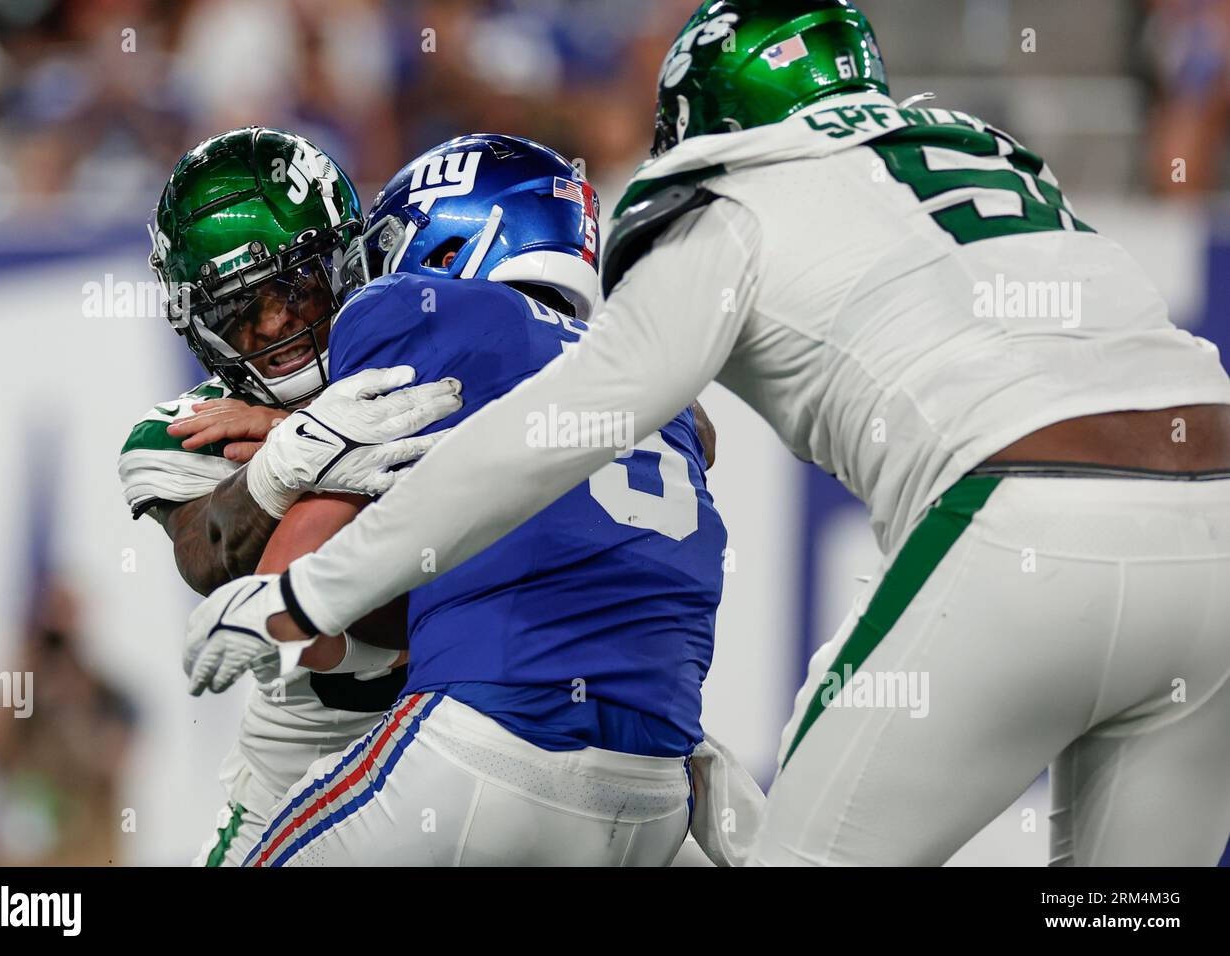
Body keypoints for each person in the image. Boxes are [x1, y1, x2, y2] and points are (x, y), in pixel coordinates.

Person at [190, 2, 1230, 866]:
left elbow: (560, 428)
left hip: (1024, 512)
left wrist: (308, 591)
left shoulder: (724, 194)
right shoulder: (996, 161)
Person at [189, 134, 754, 867]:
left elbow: (304, 618)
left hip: (484, 747)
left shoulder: (423, 312)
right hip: (658, 792)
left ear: (448, 247)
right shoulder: (663, 396)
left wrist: (288, 574)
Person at [120, 126, 461, 864]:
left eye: (290, 285)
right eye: (239, 309)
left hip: (475, 749)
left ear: (343, 263)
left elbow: (678, 422)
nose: (272, 324)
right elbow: (211, 553)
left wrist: (291, 431)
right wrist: (287, 461)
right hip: (297, 779)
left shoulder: (436, 328)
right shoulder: (192, 429)